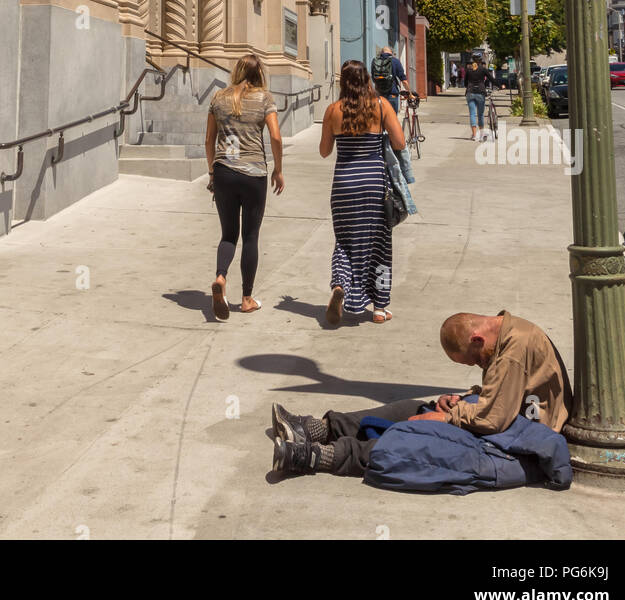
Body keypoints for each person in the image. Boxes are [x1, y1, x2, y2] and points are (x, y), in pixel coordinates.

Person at [271, 308, 572, 475]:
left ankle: (317, 455)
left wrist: (446, 419)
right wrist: (457, 401)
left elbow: (494, 420)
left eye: (474, 358)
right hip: (508, 415)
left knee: (418, 440)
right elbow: (505, 391)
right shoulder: (503, 335)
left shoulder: (511, 351)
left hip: (525, 433)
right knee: (415, 408)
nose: (478, 363)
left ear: (478, 339)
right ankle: (319, 428)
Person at [319, 61, 406, 326]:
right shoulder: (381, 106)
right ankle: (379, 308)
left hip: (344, 185)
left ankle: (340, 287)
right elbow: (400, 142)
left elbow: (324, 151)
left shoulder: (333, 110)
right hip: (374, 183)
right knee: (379, 245)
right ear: (367, 79)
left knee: (344, 242)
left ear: (343, 82)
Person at [205, 54, 283, 320]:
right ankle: (247, 299)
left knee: (228, 235)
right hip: (254, 174)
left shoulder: (218, 98)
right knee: (251, 237)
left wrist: (212, 171)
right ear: (259, 73)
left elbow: (208, 140)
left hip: (224, 172)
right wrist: (278, 170)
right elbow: (275, 135)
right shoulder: (265, 99)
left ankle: (220, 277)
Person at [370, 44, 409, 114]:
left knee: (380, 120)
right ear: (391, 52)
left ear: (381, 52)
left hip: (379, 95)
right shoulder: (395, 61)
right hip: (392, 95)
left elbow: (373, 78)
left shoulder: (374, 61)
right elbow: (404, 81)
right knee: (392, 120)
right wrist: (410, 93)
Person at [464, 55, 493, 141]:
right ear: (480, 61)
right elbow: (491, 79)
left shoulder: (469, 70)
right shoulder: (483, 69)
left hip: (470, 93)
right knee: (480, 114)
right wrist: (500, 85)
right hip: (480, 93)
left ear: (473, 61)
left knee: (472, 114)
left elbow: (465, 83)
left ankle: (474, 135)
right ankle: (480, 135)